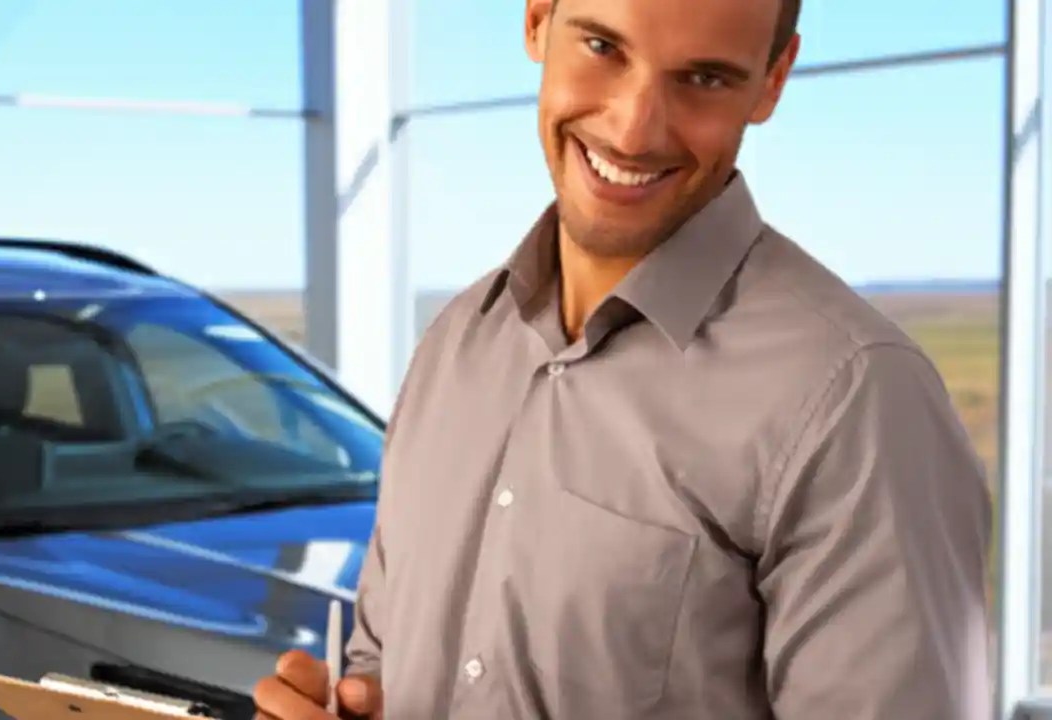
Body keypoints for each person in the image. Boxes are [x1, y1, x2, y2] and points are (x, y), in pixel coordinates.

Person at [253, 0, 993, 717]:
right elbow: (379, 665)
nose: (635, 130)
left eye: (703, 78)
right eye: (604, 48)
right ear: (538, 19)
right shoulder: (456, 344)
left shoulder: (857, 401)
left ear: (772, 79)